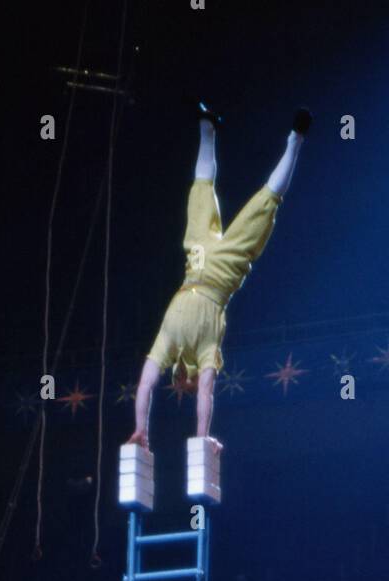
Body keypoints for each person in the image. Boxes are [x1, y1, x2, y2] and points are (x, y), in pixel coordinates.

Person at [127, 103, 311, 450]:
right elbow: (172, 386)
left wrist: (143, 430)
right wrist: (195, 436)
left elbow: (149, 385)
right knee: (258, 201)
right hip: (211, 271)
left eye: (185, 385)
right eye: (187, 385)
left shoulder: (172, 345)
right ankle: (290, 139)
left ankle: (213, 128)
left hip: (202, 267)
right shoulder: (197, 350)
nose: (186, 385)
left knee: (216, 191)